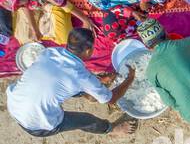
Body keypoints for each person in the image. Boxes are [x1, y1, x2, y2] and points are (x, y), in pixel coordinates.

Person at [7, 28, 136, 136]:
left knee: (68, 84)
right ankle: (111, 129)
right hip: (37, 124)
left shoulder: (50, 52)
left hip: (14, 104)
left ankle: (90, 95)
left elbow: (63, 75)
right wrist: (130, 78)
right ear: (88, 50)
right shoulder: (81, 76)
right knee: (86, 120)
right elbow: (111, 99)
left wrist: (100, 81)